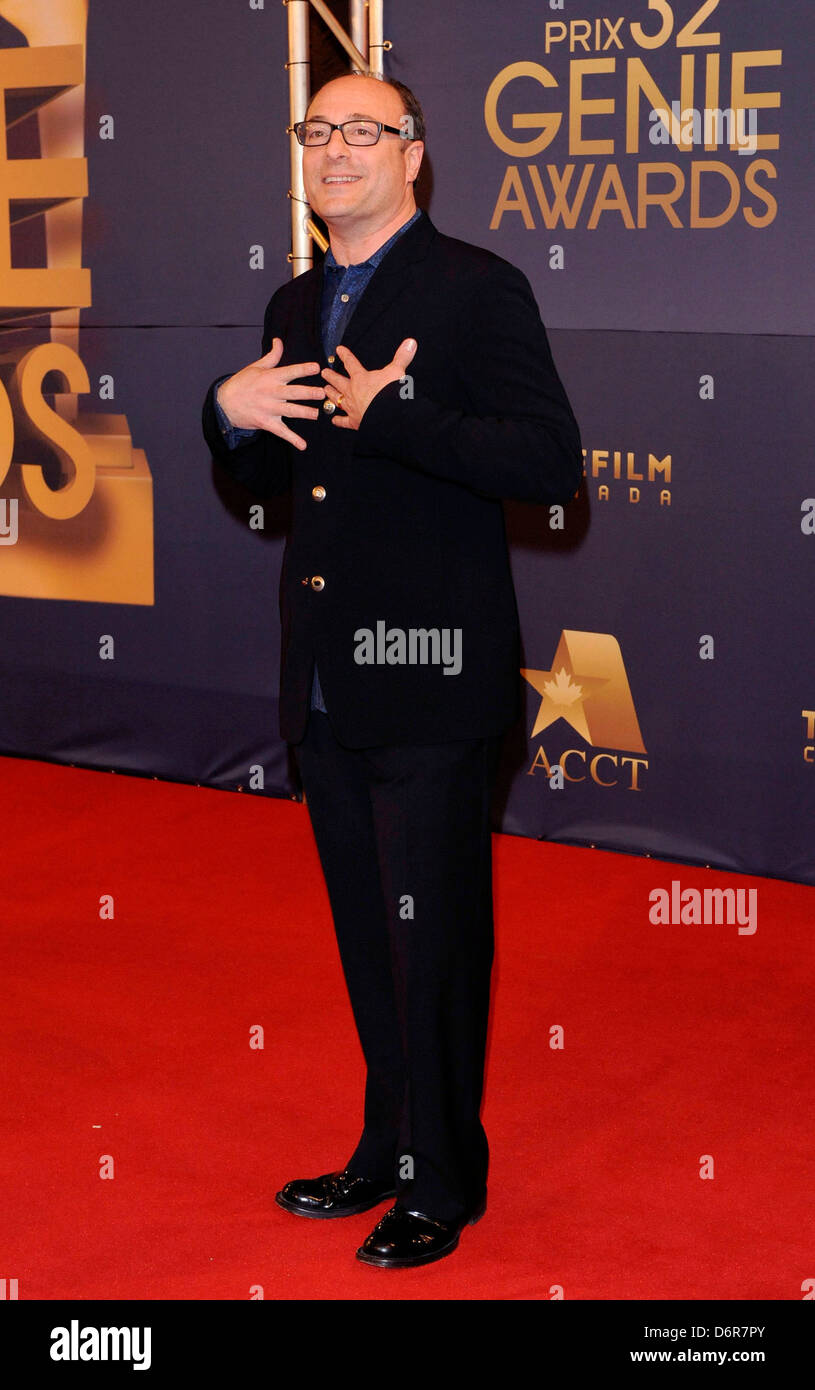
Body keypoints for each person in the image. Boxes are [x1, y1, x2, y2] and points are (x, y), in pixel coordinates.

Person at [201, 71, 582, 1268]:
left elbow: (549, 465)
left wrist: (398, 416)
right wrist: (226, 414)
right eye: (318, 131)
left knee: (436, 946)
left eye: (363, 131)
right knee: (372, 939)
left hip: (432, 679)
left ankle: (441, 1183)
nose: (335, 150)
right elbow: (277, 483)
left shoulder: (474, 288)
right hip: (326, 683)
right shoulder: (295, 296)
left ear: (413, 156)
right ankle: (383, 1148)